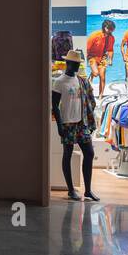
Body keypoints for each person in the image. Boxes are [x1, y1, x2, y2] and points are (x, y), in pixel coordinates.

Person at [52, 51, 99, 202]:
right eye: (75, 64)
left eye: (79, 64)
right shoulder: (59, 82)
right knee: (68, 154)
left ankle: (88, 190)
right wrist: (59, 125)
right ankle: (71, 190)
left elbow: (90, 100)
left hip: (81, 122)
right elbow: (54, 105)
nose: (78, 66)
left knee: (89, 153)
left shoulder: (82, 81)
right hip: (67, 123)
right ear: (68, 63)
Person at [85, 18, 116, 98]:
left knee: (102, 76)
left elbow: (110, 50)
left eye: (112, 29)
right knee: (96, 73)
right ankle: (92, 75)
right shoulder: (94, 35)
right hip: (92, 57)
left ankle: (101, 95)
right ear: (104, 27)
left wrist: (110, 60)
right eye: (109, 29)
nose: (111, 31)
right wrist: (86, 60)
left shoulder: (112, 38)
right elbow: (87, 48)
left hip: (103, 58)